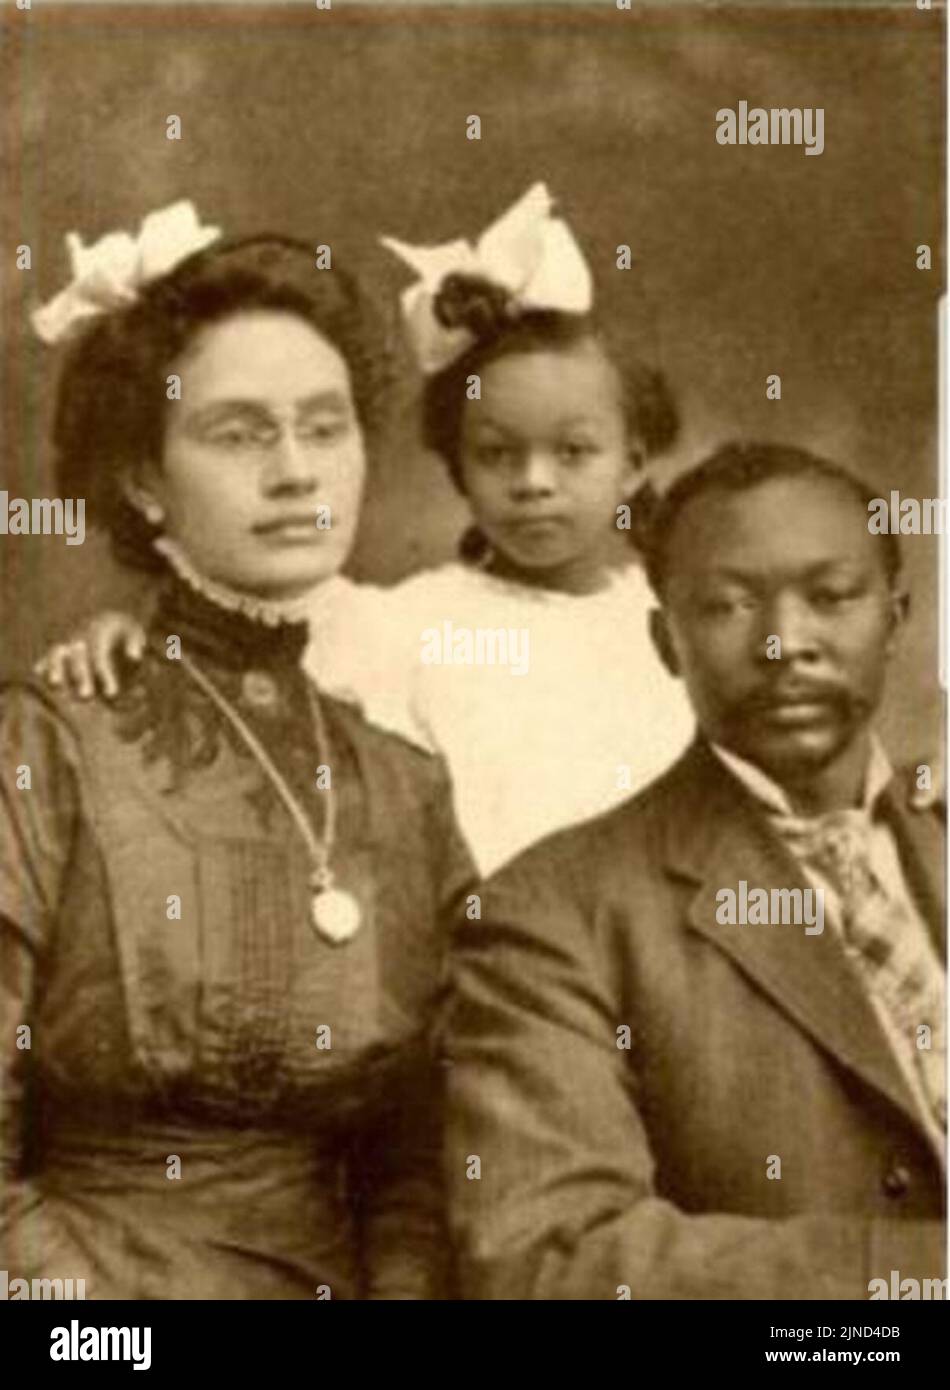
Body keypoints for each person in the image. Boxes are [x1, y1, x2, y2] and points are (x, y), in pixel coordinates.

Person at [0, 202, 473, 1300]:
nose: (297, 471)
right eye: (238, 432)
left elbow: (416, 1155)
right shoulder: (49, 741)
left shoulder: (397, 784)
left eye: (325, 424)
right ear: (142, 478)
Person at [36, 184, 696, 876]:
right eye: (499, 454)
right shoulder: (400, 624)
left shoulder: (668, 625)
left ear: (634, 462)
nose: (535, 482)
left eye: (574, 452)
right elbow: (241, 631)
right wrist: (131, 634)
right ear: (458, 466)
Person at [443, 441, 946, 1300]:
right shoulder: (551, 914)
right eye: (726, 605)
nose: (787, 644)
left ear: (897, 619)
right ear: (664, 641)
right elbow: (554, 1260)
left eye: (831, 597)